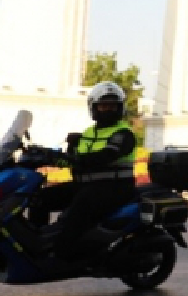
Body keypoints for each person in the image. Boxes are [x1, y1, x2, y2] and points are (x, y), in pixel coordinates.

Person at [50, 82, 141, 263]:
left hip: (114, 188)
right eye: (103, 105)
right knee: (39, 198)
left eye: (112, 106)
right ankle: (37, 243)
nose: (107, 110)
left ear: (120, 108)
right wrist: (46, 156)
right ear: (94, 107)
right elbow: (72, 158)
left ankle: (66, 254)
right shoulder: (87, 133)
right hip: (86, 185)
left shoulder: (123, 133)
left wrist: (77, 160)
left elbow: (106, 156)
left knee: (78, 209)